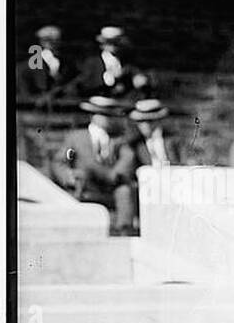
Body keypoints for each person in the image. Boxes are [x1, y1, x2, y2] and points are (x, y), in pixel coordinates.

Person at [51, 95, 138, 235]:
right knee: (80, 179)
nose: (107, 118)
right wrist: (68, 176)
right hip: (84, 184)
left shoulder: (119, 139)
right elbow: (59, 162)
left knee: (125, 190)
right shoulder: (76, 138)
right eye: (103, 114)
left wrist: (114, 174)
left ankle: (124, 231)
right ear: (92, 115)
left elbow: (127, 158)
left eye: (110, 115)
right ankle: (76, 230)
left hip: (111, 186)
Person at [77, 26, 151, 99]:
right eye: (109, 42)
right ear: (102, 44)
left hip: (121, 104)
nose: (114, 46)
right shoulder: (92, 63)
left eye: (117, 42)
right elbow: (84, 84)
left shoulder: (128, 63)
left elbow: (138, 79)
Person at [16, 24, 77, 105]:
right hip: (32, 106)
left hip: (60, 106)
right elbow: (24, 91)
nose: (54, 43)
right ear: (42, 42)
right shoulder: (26, 66)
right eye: (48, 40)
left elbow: (69, 84)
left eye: (57, 40)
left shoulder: (67, 63)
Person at [127, 99, 180, 168]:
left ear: (158, 121)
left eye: (149, 121)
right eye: (141, 121)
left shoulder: (174, 140)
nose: (145, 125)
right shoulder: (135, 145)